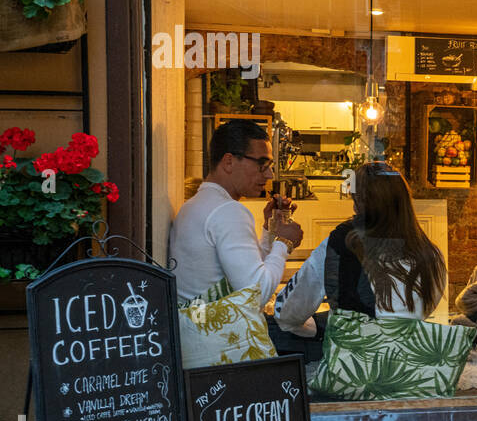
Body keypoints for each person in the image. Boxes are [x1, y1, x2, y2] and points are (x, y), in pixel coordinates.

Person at [275, 161, 447, 336]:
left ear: (358, 202)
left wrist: (317, 329)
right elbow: (424, 309)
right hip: (407, 358)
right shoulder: (431, 254)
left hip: (353, 358)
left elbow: (287, 315)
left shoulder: (339, 243)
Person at [169, 119, 303, 303]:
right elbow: (257, 293)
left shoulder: (195, 204)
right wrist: (284, 243)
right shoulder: (228, 210)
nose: (269, 175)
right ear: (229, 161)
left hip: (196, 325)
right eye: (262, 164)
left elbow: (248, 272)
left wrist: (270, 230)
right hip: (216, 330)